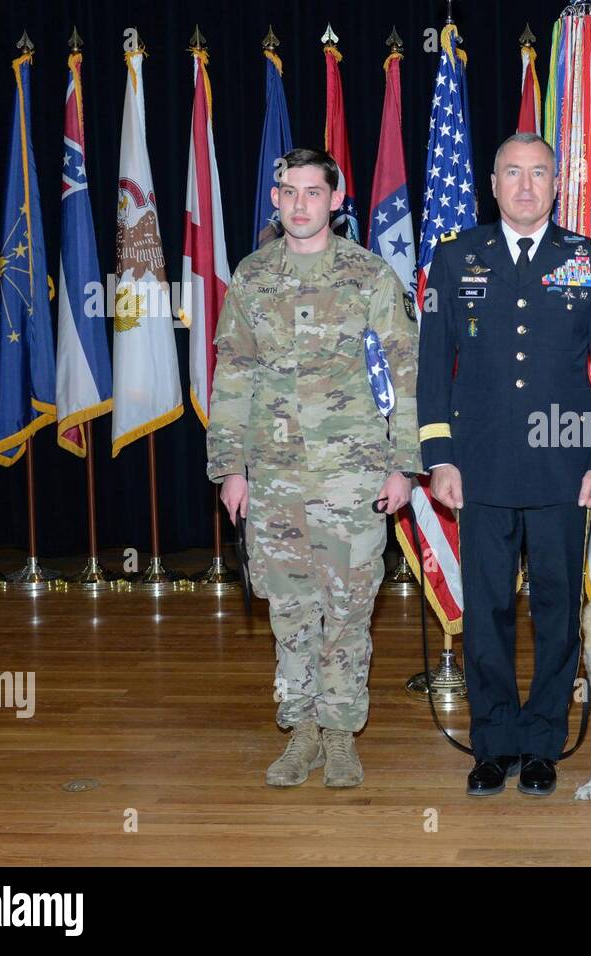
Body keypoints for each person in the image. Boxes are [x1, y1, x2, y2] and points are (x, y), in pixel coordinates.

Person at [417, 133, 591, 797]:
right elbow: (432, 367)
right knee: (485, 611)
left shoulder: (589, 261)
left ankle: (541, 741)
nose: (527, 185)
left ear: (557, 184)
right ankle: (494, 740)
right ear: (492, 182)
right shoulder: (455, 260)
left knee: (557, 609)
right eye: (513, 173)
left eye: (540, 173)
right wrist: (438, 457)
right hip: (478, 468)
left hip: (563, 468)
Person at [207, 147, 419, 788]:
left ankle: (341, 733)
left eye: (312, 192)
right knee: (291, 610)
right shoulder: (250, 277)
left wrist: (404, 466)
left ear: (336, 197)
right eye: (288, 192)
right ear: (276, 198)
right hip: (272, 477)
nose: (299, 204)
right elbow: (233, 373)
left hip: (353, 475)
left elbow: (403, 373)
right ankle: (300, 732)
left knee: (350, 609)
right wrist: (230, 468)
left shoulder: (371, 276)